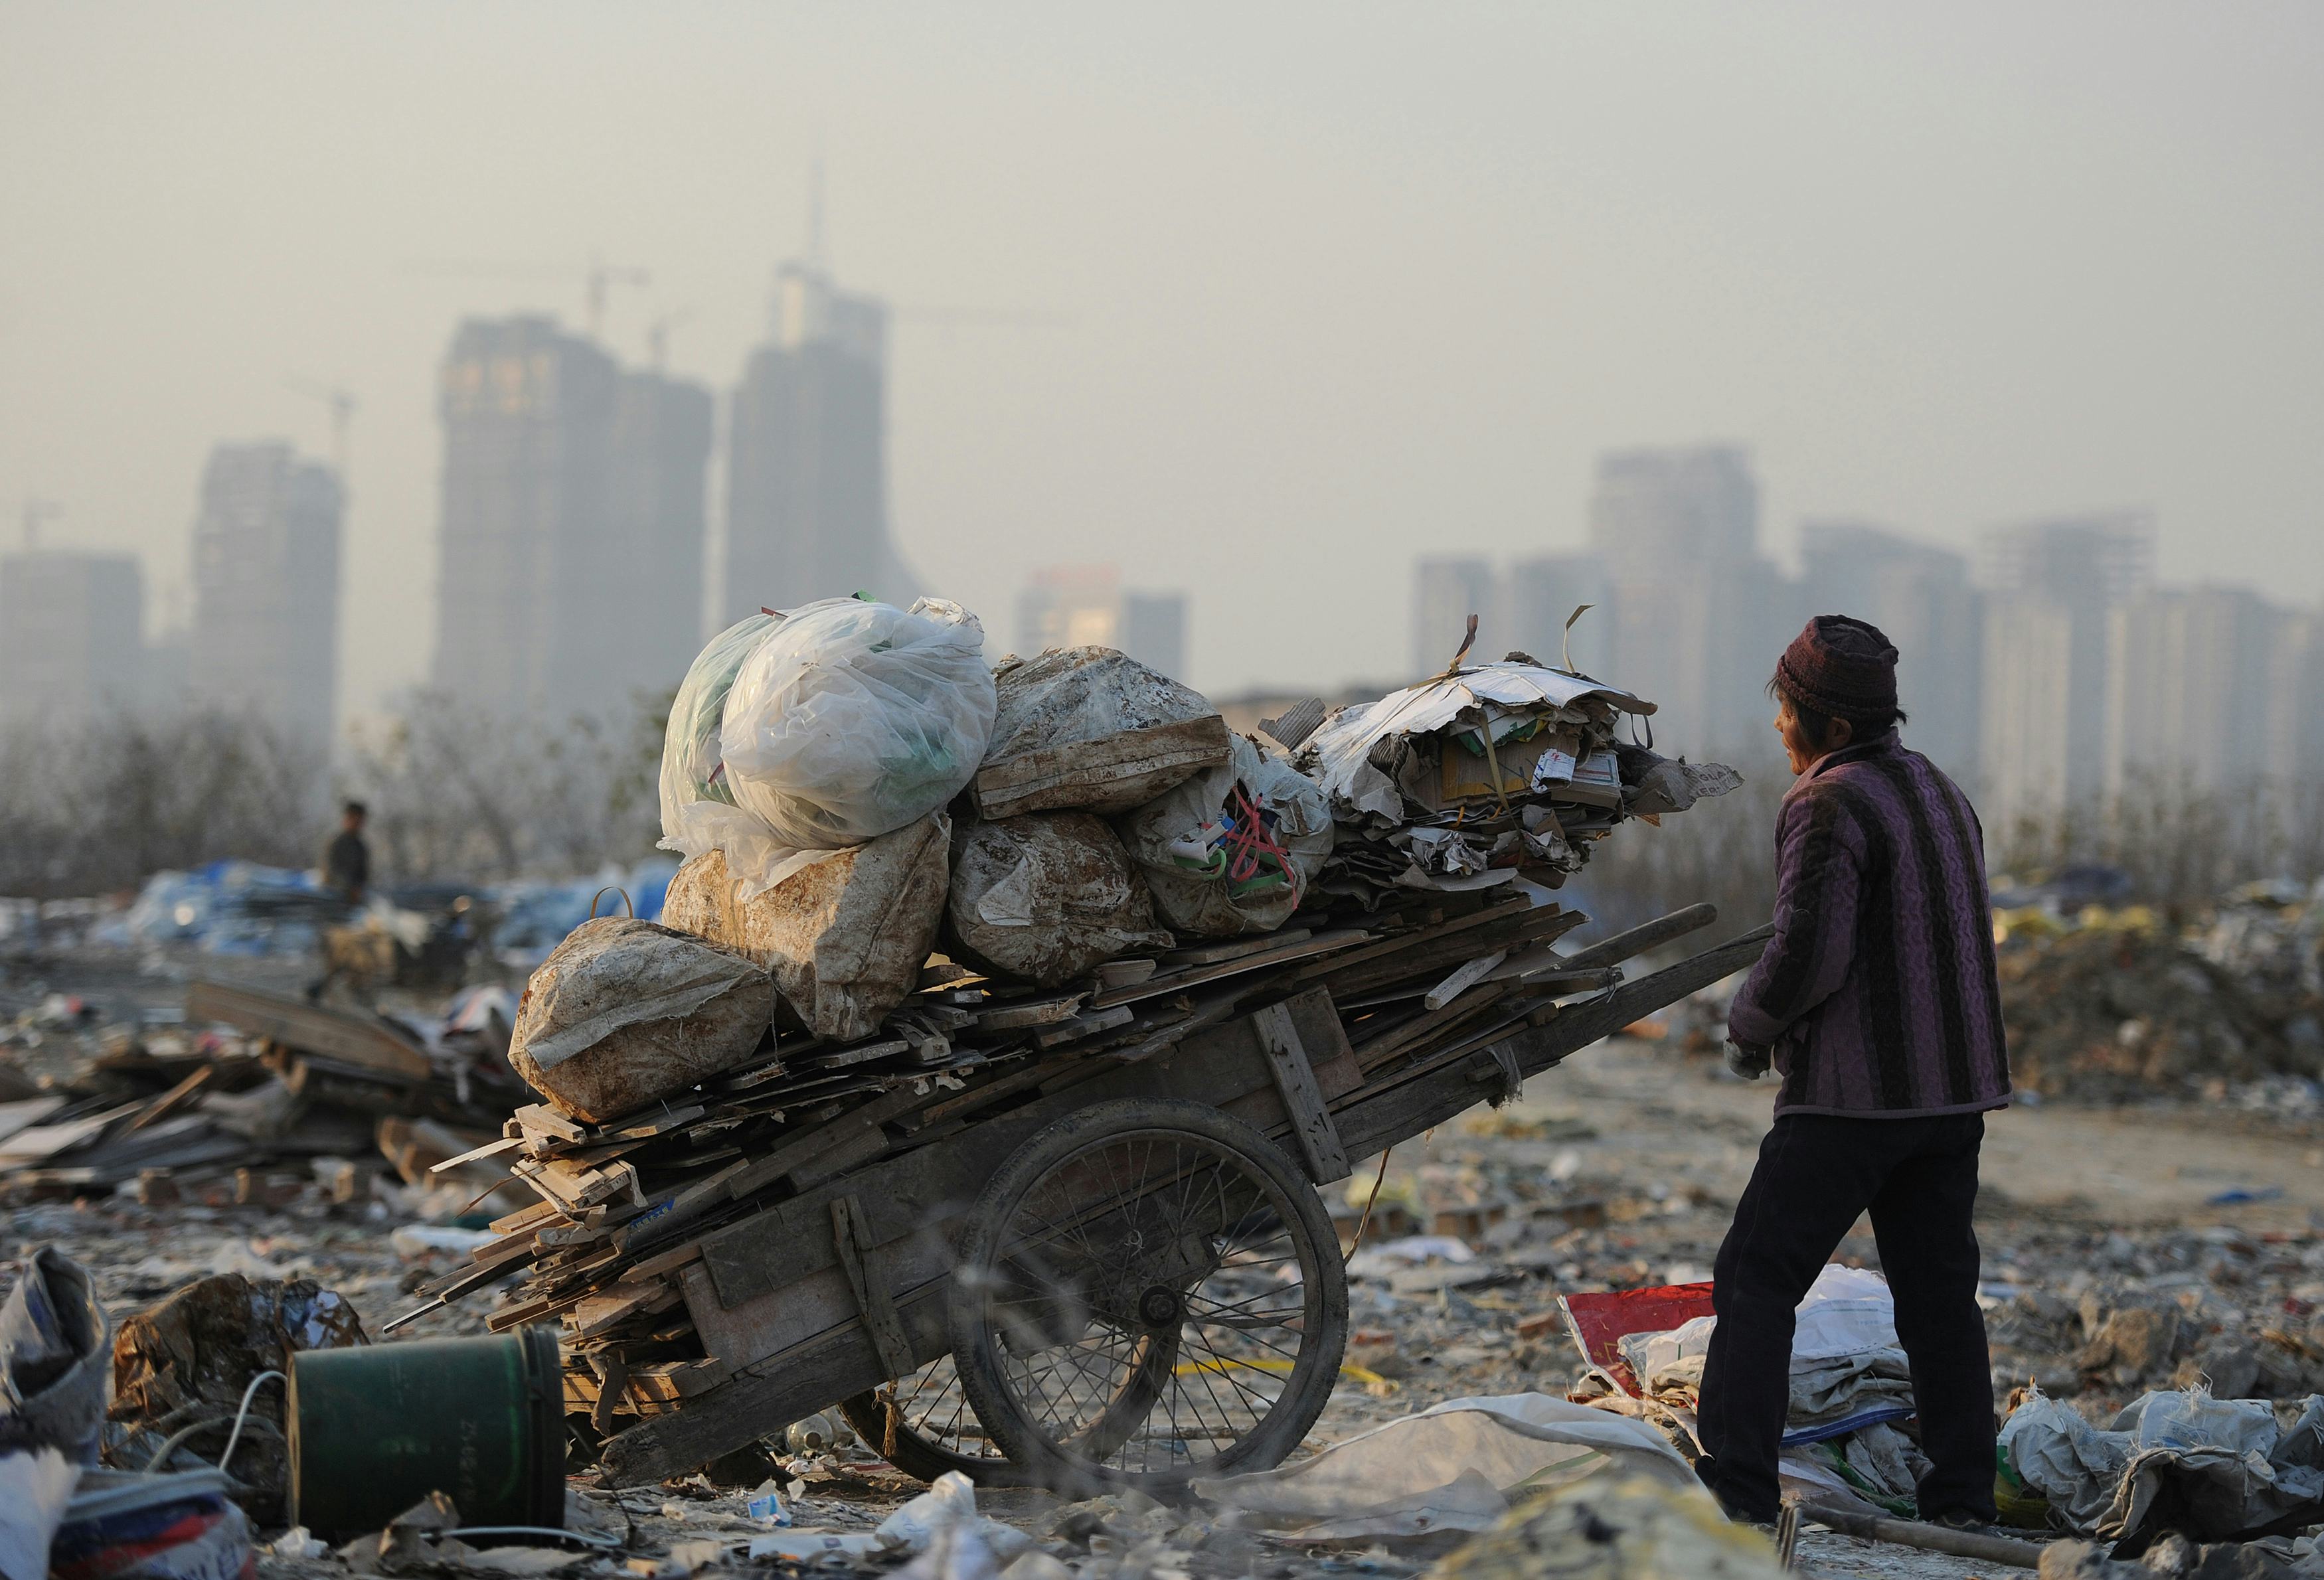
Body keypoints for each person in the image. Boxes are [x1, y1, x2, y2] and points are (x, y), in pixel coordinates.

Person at [1694, 615, 2011, 1530]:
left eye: (1788, 715)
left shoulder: (1827, 802)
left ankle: (1740, 1499)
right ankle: (1961, 1502)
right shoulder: (1942, 791)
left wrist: (1748, 1021)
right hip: (1953, 1099)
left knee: (1756, 1280)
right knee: (1939, 1299)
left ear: (1828, 727)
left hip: (1853, 1101)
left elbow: (1808, 955)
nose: (1781, 732)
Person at [323, 801, 371, 909]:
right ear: (347, 819)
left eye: (361, 821)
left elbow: (363, 874)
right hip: (334, 899)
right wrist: (349, 888)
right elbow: (331, 872)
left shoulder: (360, 846)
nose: (358, 825)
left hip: (355, 901)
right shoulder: (336, 843)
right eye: (356, 820)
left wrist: (359, 889)